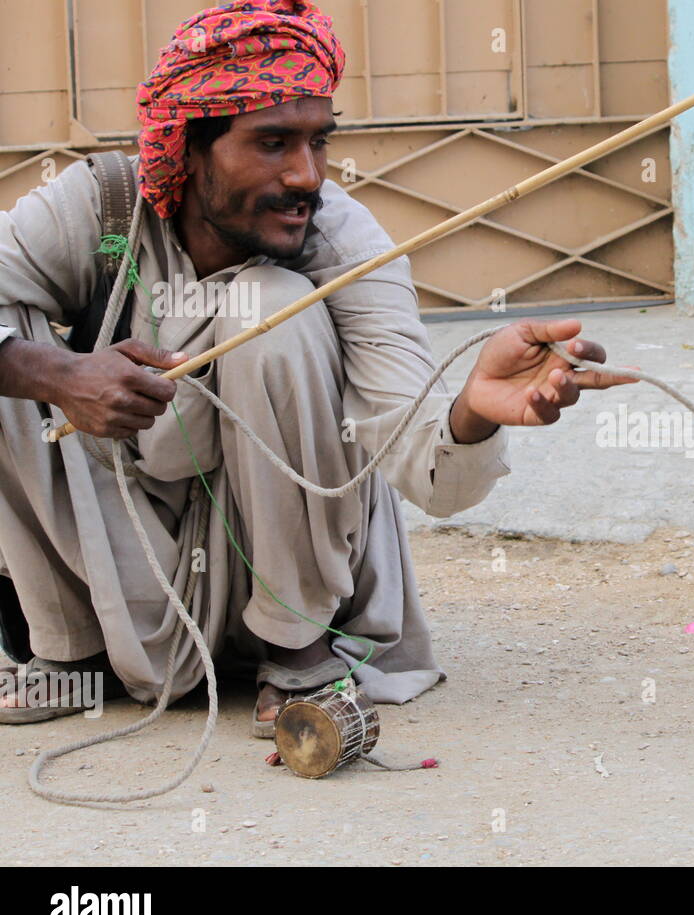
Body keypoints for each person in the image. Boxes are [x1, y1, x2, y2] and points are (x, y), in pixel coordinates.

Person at [0, 0, 631, 735]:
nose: (307, 176)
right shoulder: (106, 211)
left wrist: (472, 412)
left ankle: (295, 649)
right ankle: (75, 651)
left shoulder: (343, 243)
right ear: (188, 148)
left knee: (272, 306)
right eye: (272, 143)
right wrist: (57, 377)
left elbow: (428, 465)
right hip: (123, 562)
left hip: (279, 582)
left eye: (318, 143)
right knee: (9, 347)